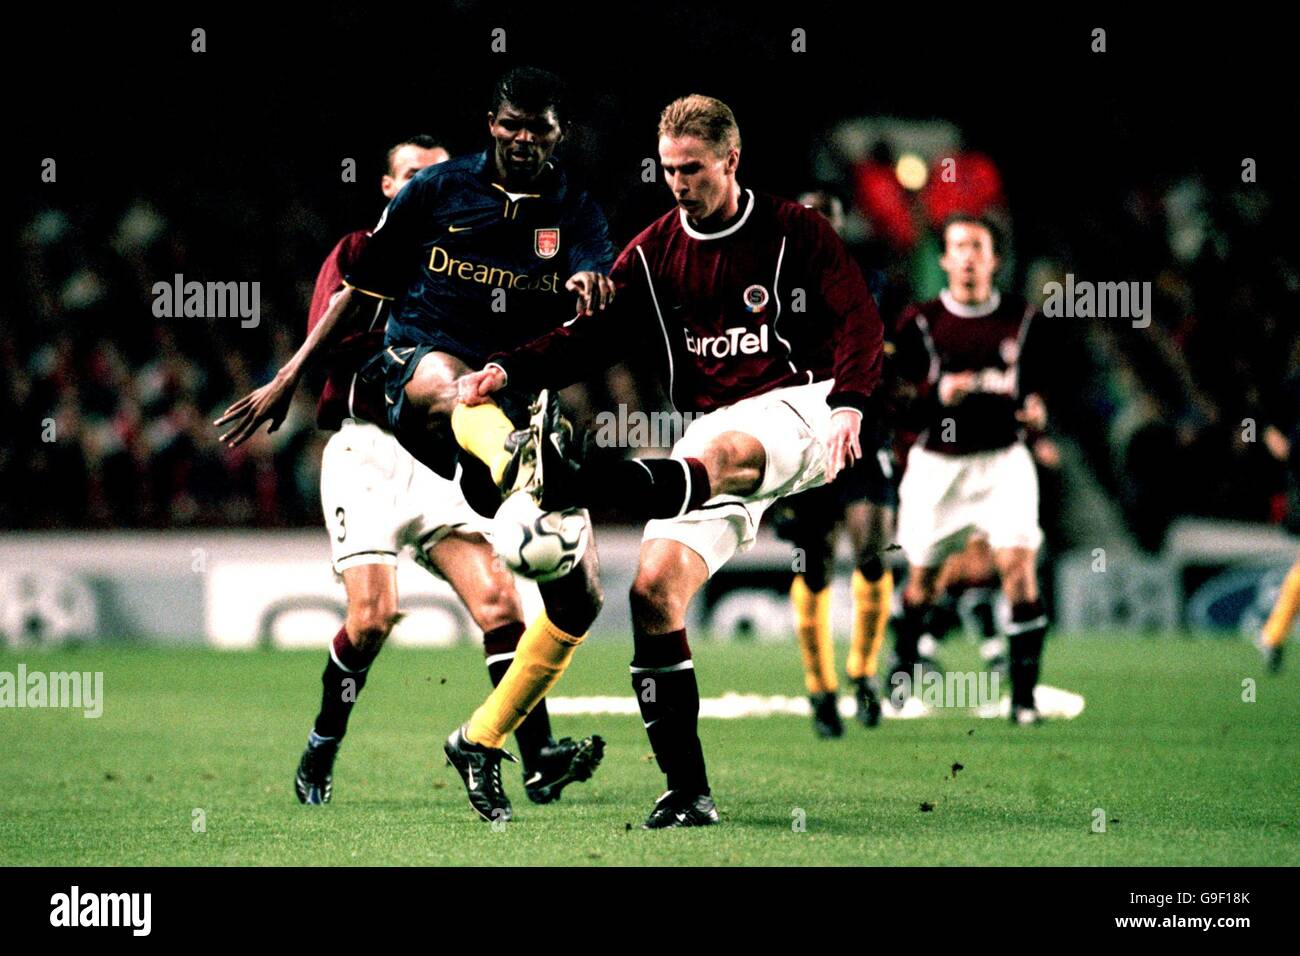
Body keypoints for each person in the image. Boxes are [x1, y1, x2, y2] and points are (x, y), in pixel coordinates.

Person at [458, 94, 885, 827]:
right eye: (669, 170)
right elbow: (587, 338)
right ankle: (688, 791)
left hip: (801, 408)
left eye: (693, 169)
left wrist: (849, 401)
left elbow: (858, 318)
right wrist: (508, 368)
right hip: (710, 429)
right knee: (653, 592)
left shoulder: (795, 231)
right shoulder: (654, 252)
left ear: (732, 160)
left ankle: (575, 482)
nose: (679, 182)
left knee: (727, 452)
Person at [214, 134, 603, 820]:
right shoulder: (363, 252)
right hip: (368, 452)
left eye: (440, 174)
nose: (435, 184)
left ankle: (536, 757)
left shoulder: (474, 251)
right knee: (372, 619)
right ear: (391, 188)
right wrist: (289, 378)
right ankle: (321, 745)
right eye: (415, 175)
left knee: (501, 603)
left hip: (438, 451)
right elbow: (337, 335)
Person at [890, 214, 1051, 724]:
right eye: (958, 246)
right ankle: (903, 665)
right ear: (944, 260)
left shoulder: (1024, 320)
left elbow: (1038, 386)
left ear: (993, 259)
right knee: (924, 581)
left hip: (1004, 460)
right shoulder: (920, 321)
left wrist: (1037, 409)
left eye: (977, 246)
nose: (967, 256)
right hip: (940, 466)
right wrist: (936, 393)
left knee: (1018, 571)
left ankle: (1023, 699)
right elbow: (893, 397)